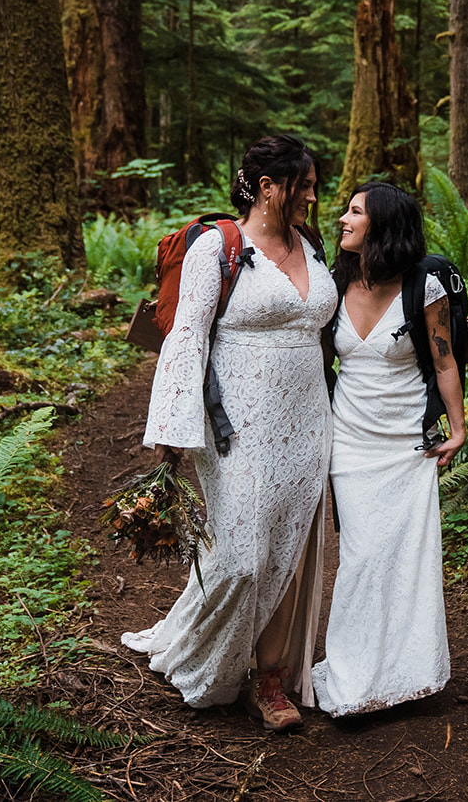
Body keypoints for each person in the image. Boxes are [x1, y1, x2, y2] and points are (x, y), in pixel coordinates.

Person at [122, 135, 338, 732]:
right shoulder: (217, 248)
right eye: (305, 186)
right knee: (240, 557)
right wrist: (170, 429)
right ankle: (207, 662)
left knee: (287, 553)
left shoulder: (312, 247)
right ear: (268, 187)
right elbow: (185, 340)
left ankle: (268, 680)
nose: (313, 198)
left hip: (308, 424)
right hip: (235, 426)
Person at [311, 181, 466, 717]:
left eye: (355, 212)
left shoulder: (423, 286)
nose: (343, 219)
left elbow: (445, 361)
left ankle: (406, 672)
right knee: (361, 558)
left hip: (407, 446)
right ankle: (353, 679)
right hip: (349, 441)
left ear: (383, 224)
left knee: (406, 559)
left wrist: (458, 427)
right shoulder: (333, 283)